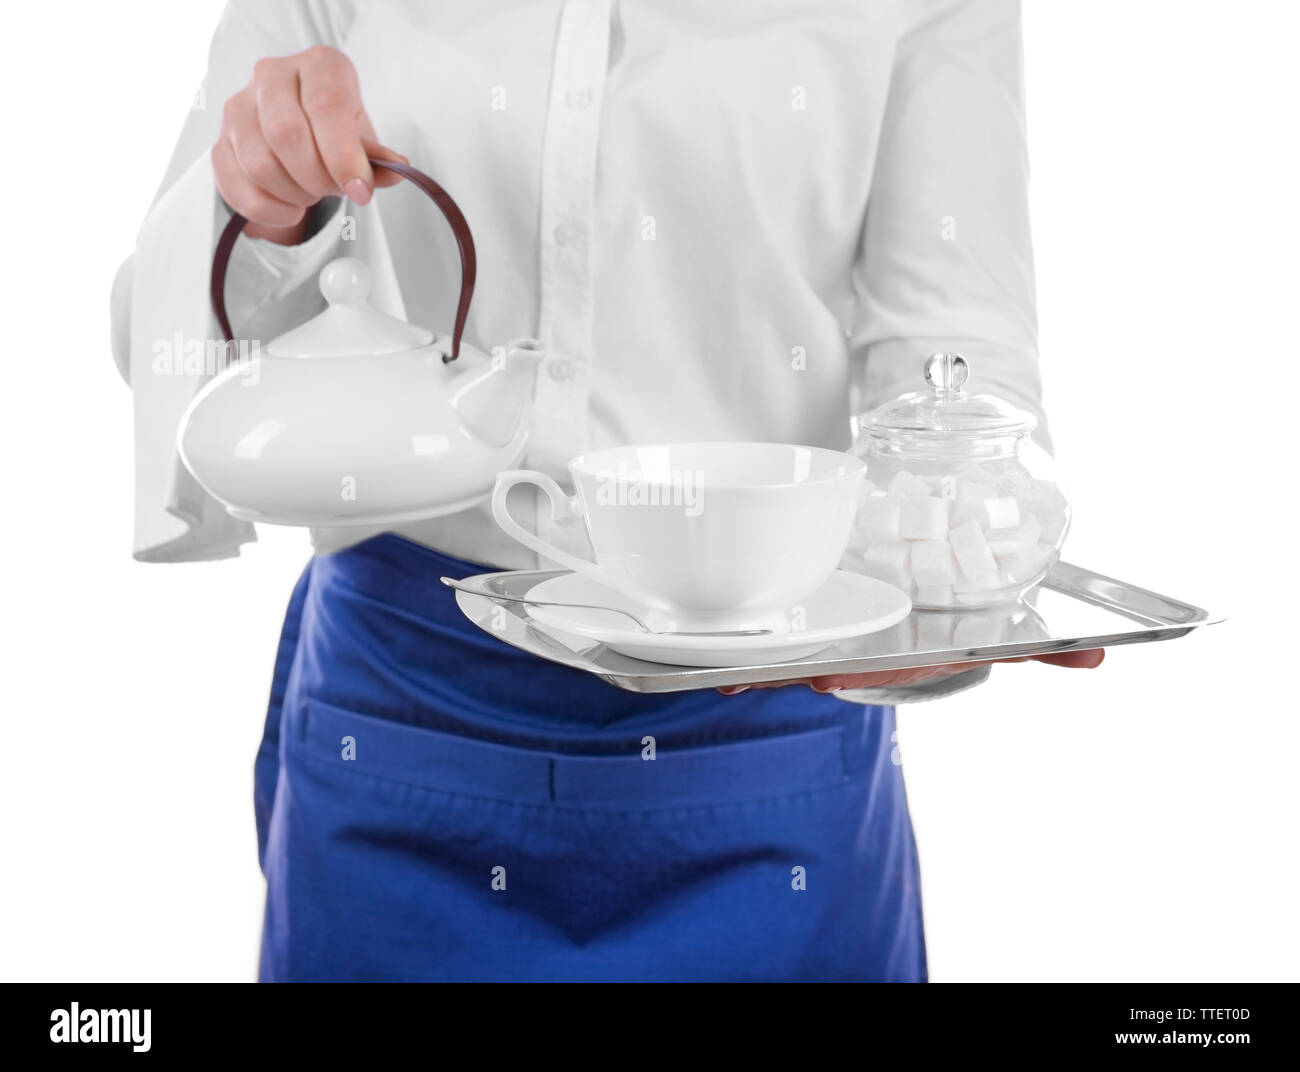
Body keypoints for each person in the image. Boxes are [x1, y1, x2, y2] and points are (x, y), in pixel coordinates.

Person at [111, 0, 1102, 982]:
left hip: (763, 716)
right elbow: (156, 345)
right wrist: (269, 212)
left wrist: (950, 562)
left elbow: (955, 358)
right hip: (405, 716)